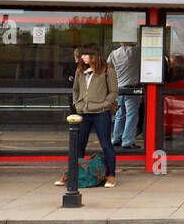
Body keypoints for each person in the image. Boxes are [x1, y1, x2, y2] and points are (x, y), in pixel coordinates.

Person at [56, 44, 119, 188]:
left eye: (85, 55)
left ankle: (111, 176)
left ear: (94, 56)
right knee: (78, 145)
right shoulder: (80, 71)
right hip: (83, 112)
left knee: (106, 144)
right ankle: (73, 175)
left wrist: (104, 104)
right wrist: (77, 104)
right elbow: (75, 90)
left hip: (100, 113)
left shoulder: (108, 71)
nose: (82, 58)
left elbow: (114, 91)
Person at [108, 41, 141, 149]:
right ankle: (127, 141)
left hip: (118, 88)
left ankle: (116, 138)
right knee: (131, 115)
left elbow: (108, 68)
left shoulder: (114, 53)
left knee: (119, 114)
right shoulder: (136, 51)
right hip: (131, 88)